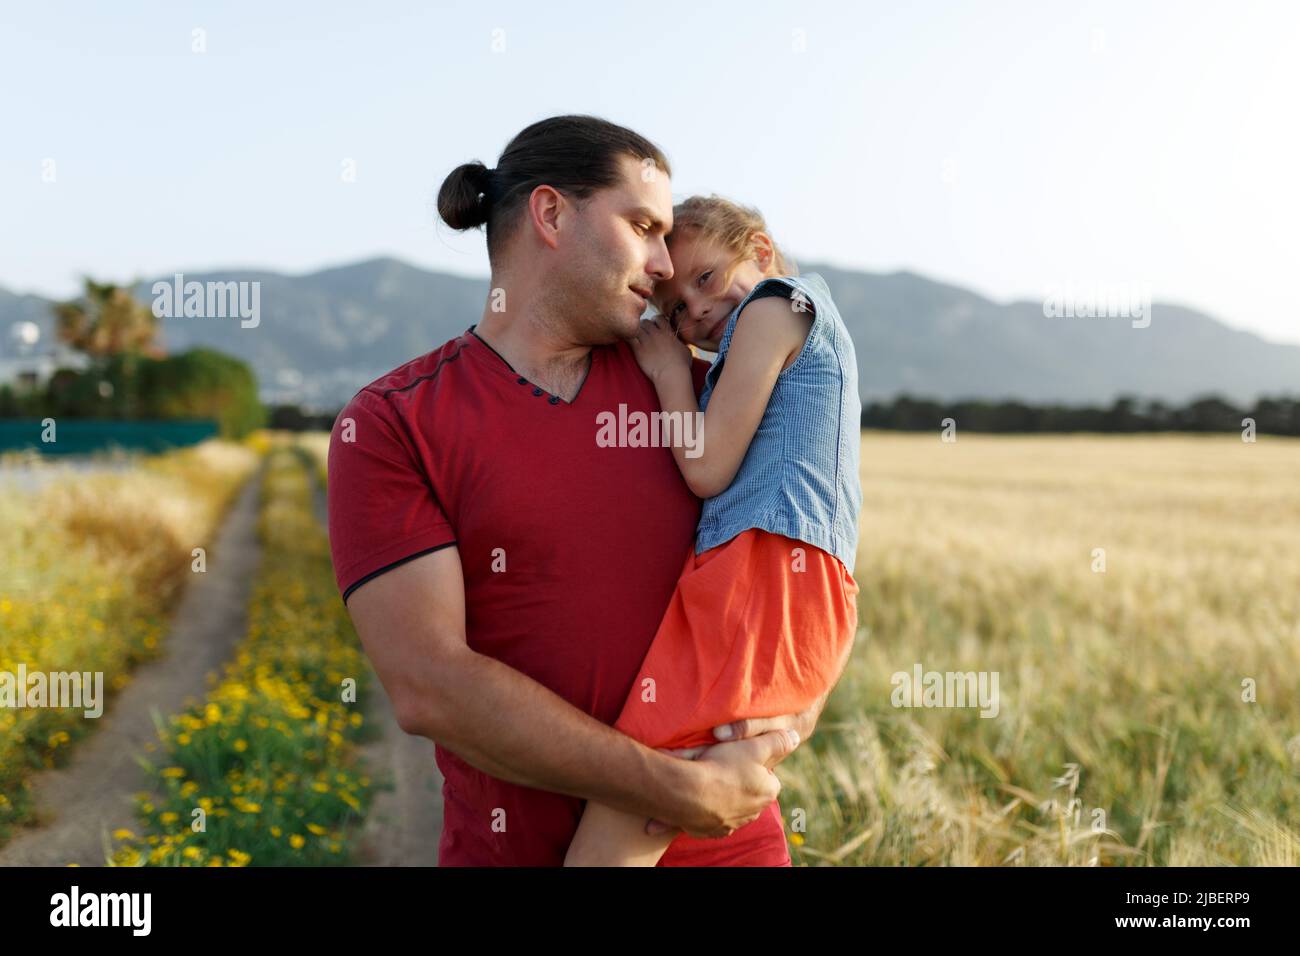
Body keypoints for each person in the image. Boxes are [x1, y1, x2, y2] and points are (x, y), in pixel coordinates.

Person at [327, 115, 846, 866]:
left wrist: (791, 721)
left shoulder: (703, 399)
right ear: (550, 214)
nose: (666, 265)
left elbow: (810, 558)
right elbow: (429, 685)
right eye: (644, 227)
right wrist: (672, 791)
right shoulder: (392, 424)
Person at [563, 196, 862, 866]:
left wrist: (669, 372)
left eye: (702, 279)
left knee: (641, 790)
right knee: (677, 774)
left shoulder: (773, 306)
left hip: (765, 573)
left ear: (758, 251)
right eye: (671, 310)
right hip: (774, 574)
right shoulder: (769, 327)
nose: (692, 312)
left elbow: (705, 466)